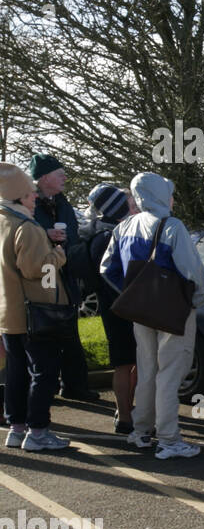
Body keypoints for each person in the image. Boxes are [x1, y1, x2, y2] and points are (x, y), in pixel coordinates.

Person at [99, 173, 204, 459]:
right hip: (173, 311)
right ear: (160, 194)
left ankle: (141, 431)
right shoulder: (172, 226)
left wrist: (129, 293)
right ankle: (169, 439)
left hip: (140, 311)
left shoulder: (125, 225)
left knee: (147, 371)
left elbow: (107, 268)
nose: (172, 197)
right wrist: (196, 301)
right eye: (168, 191)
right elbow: (191, 271)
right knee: (170, 374)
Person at [0, 162, 73, 451]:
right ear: (19, 197)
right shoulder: (27, 228)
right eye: (31, 195)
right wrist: (58, 256)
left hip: (9, 314)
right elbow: (39, 273)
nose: (35, 200)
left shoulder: (4, 222)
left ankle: (16, 428)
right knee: (44, 373)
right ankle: (38, 431)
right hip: (33, 314)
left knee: (16, 372)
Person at [28, 153, 98, 401]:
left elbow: (74, 236)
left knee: (69, 332)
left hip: (65, 274)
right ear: (44, 177)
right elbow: (20, 237)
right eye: (59, 174)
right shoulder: (27, 203)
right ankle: (38, 394)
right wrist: (44, 234)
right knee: (42, 334)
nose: (65, 177)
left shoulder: (62, 202)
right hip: (41, 277)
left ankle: (74, 386)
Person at [85, 184, 139, 434]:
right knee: (133, 361)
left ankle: (125, 414)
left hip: (109, 307)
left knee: (123, 362)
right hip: (125, 305)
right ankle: (127, 412)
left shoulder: (96, 235)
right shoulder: (116, 235)